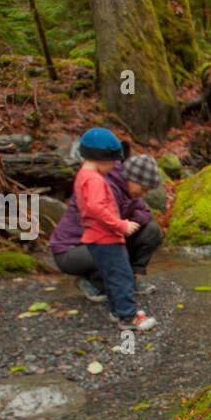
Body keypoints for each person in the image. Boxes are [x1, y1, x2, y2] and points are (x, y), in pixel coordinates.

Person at [63, 128, 157, 332]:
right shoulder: (95, 180)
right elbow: (96, 209)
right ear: (102, 158)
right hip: (105, 238)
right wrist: (121, 225)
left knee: (113, 276)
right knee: (122, 276)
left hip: (96, 237)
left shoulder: (83, 176)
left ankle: (117, 311)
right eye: (113, 162)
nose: (116, 167)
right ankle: (128, 317)